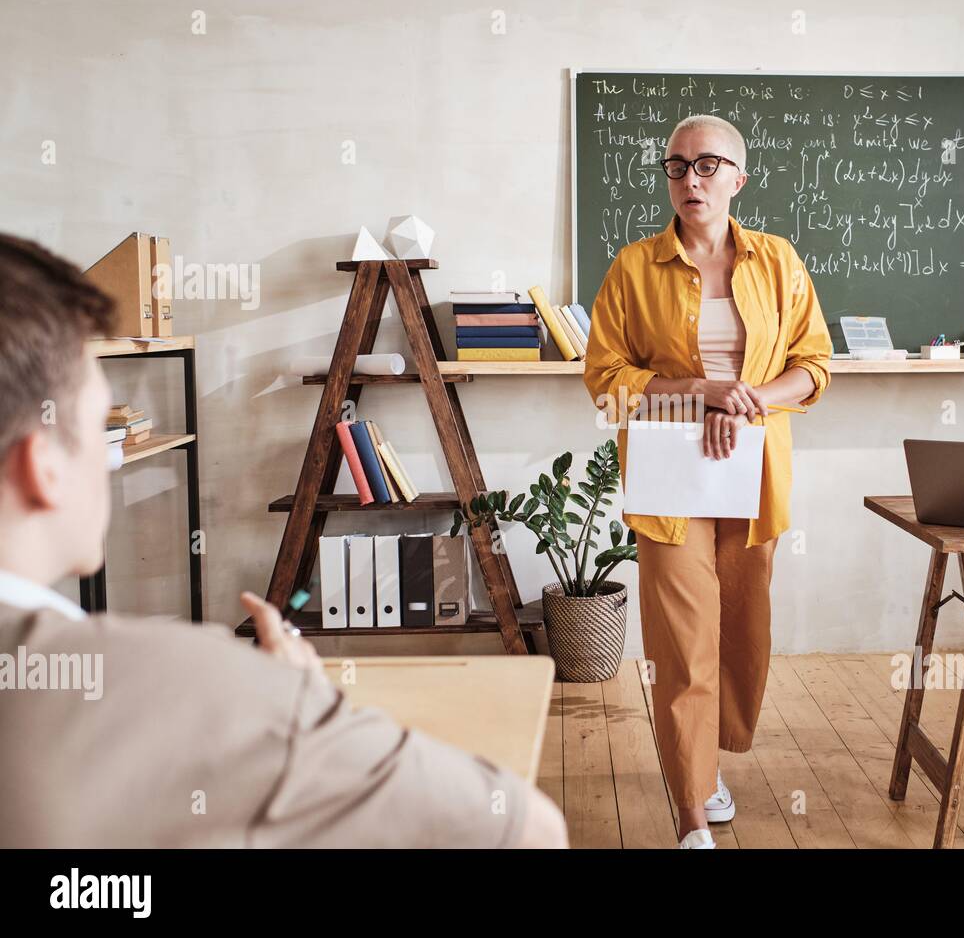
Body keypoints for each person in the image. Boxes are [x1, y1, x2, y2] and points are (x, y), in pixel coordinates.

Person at [0, 233, 568, 848]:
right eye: (101, 430)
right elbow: (528, 831)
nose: (113, 465)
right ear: (43, 467)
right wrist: (303, 712)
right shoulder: (181, 684)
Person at [583, 114, 833, 848]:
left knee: (742, 635)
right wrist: (701, 391)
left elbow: (813, 369)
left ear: (738, 178)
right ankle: (692, 815)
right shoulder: (632, 267)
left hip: (753, 475)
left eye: (707, 165)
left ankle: (707, 764)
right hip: (670, 479)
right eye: (677, 166)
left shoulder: (780, 261)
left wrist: (749, 397)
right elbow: (606, 384)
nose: (690, 180)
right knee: (682, 643)